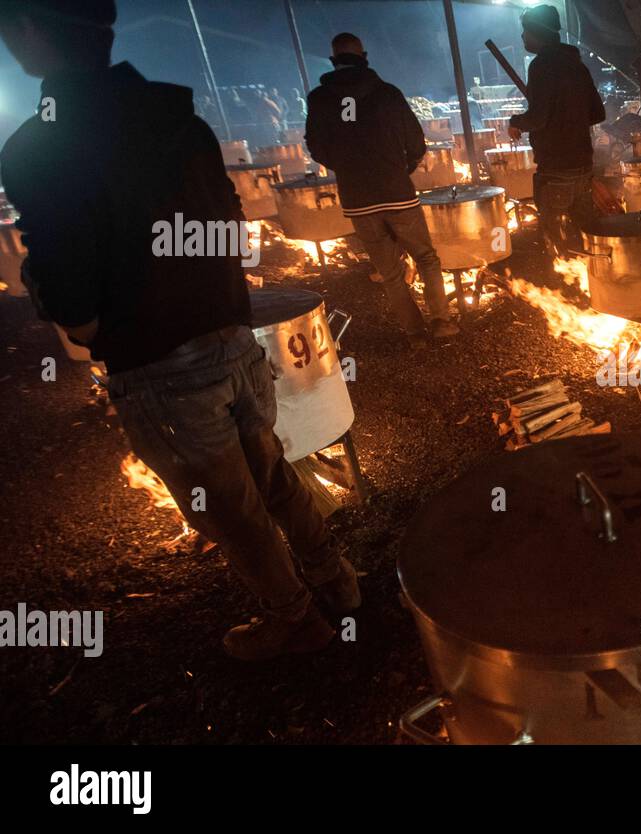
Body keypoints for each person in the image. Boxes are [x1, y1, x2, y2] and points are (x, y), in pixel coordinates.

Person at [0, 0, 358, 661]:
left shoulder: (40, 147)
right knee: (273, 473)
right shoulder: (178, 117)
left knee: (232, 509)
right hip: (230, 333)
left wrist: (80, 316)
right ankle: (336, 581)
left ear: (27, 30)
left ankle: (295, 620)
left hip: (160, 362)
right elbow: (225, 221)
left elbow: (67, 284)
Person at [305, 32, 458, 344]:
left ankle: (414, 332)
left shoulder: (320, 99)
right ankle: (441, 322)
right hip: (397, 193)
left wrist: (346, 169)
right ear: (364, 56)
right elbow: (415, 142)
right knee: (426, 258)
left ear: (334, 61)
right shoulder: (387, 94)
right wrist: (404, 168)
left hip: (358, 199)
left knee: (389, 273)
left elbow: (316, 146)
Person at [506, 4, 605, 259]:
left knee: (554, 236)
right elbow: (598, 114)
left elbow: (538, 118)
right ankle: (595, 281)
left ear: (537, 33)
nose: (522, 37)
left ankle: (560, 287)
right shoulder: (578, 66)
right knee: (589, 233)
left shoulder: (541, 66)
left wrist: (516, 121)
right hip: (583, 167)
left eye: (525, 31)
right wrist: (571, 117)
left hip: (555, 170)